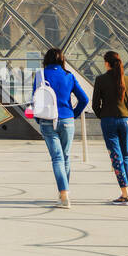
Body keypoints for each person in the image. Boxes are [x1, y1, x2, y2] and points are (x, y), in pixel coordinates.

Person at [35, 47, 89, 208]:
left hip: (47, 120)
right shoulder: (69, 76)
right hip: (67, 120)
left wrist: (38, 120)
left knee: (57, 158)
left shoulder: (41, 75)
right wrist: (74, 114)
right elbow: (84, 99)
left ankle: (64, 194)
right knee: (65, 157)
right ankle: (63, 193)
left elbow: (35, 99)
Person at [91, 50, 128, 205]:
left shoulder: (100, 80)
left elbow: (95, 105)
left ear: (106, 63)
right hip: (126, 121)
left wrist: (103, 115)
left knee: (116, 157)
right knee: (124, 157)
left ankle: (126, 195)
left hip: (108, 120)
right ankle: (126, 191)